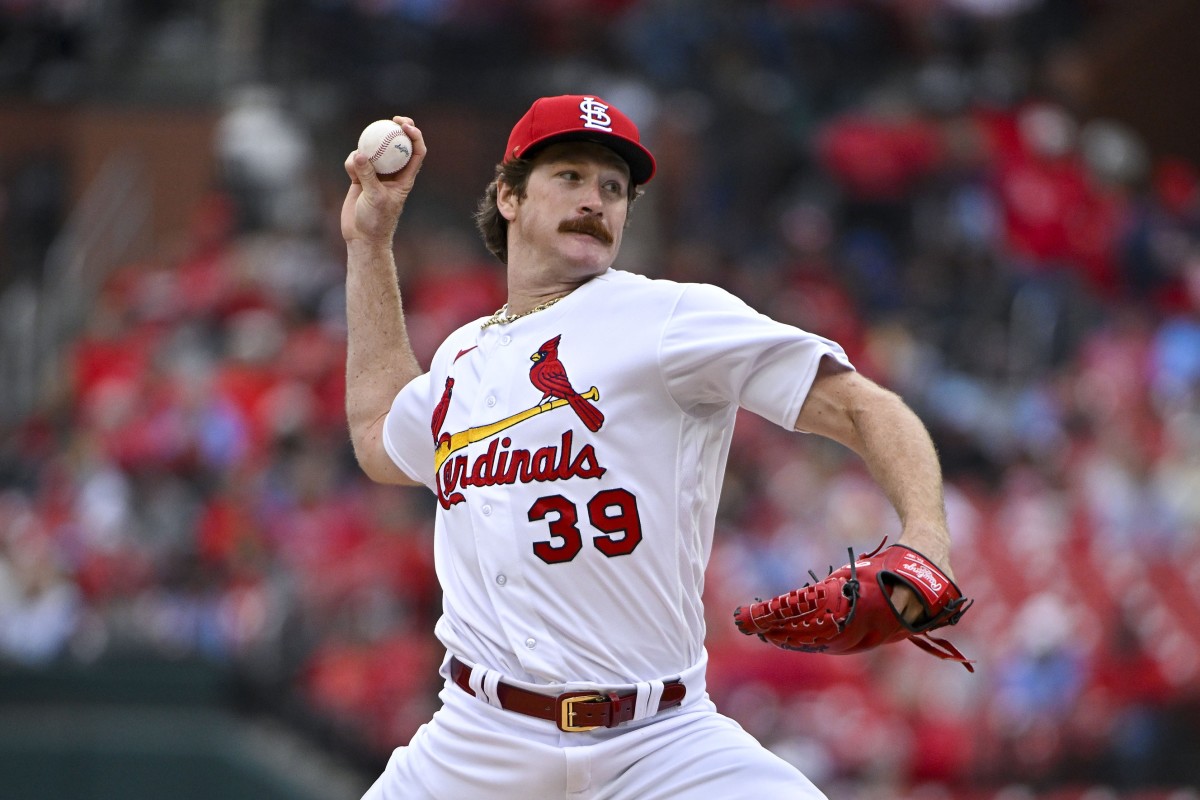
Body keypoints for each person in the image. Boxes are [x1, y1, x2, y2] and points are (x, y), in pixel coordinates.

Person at [342, 94, 958, 800]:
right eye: (569, 176)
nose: (594, 200)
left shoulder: (668, 319)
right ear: (508, 196)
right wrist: (370, 242)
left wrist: (928, 535)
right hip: (476, 742)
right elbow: (377, 433)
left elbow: (861, 405)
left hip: (659, 743)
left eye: (613, 188)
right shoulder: (460, 358)